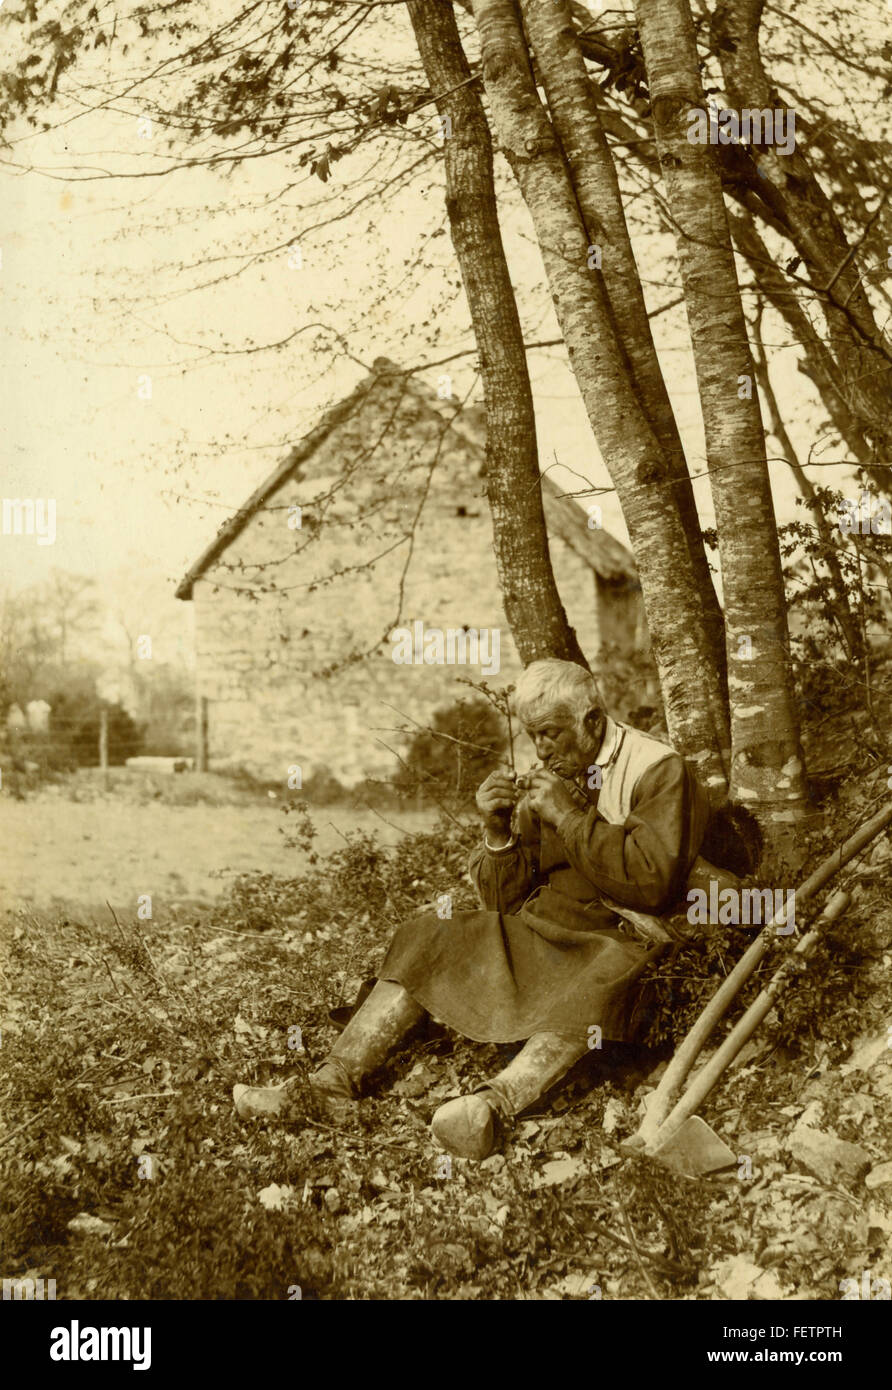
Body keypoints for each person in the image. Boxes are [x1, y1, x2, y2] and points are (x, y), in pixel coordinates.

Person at [234, 658, 711, 1159]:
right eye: (533, 736)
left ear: (592, 722)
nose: (542, 750)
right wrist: (498, 832)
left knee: (602, 977)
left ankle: (490, 1108)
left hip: (617, 935)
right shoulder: (554, 774)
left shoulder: (657, 769)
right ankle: (328, 1084)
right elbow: (506, 903)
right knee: (430, 932)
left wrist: (567, 817)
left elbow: (652, 883)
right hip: (544, 929)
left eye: (550, 734)